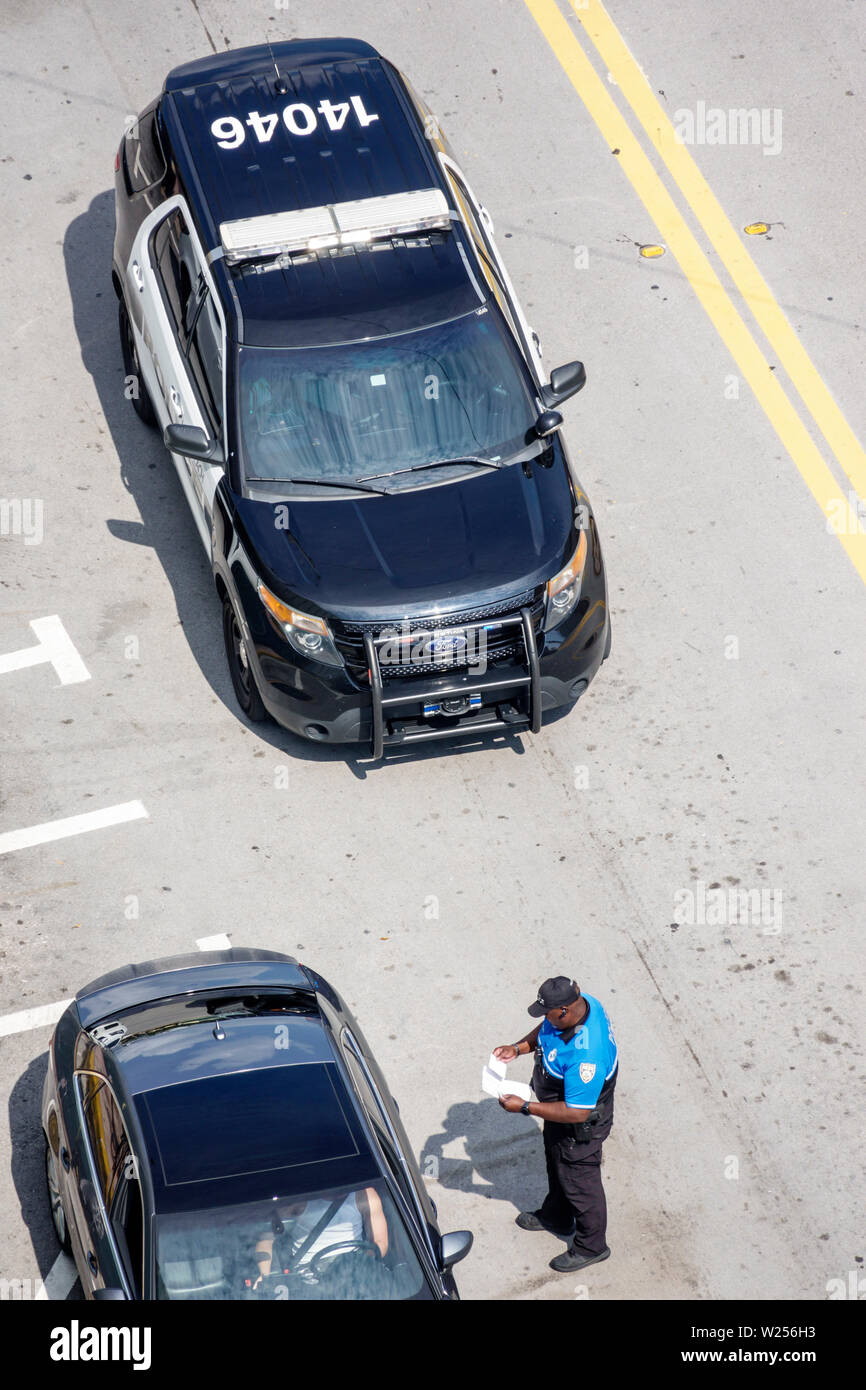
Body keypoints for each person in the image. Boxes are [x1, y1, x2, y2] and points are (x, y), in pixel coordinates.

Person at [493, 975, 618, 1273]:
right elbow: (547, 1029)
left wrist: (524, 1106)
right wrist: (519, 1047)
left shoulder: (587, 1056)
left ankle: (592, 1247)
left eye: (548, 1012)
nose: (546, 1019)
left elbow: (576, 1112)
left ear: (563, 1010)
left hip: (578, 1127)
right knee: (557, 1164)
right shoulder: (580, 1005)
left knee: (580, 1184)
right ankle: (557, 1217)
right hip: (557, 1112)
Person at [252, 1185, 388, 1286]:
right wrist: (265, 1275)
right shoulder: (298, 1201)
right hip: (308, 1284)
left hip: (352, 1278)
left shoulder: (363, 1194)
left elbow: (380, 1243)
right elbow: (266, 1239)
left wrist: (360, 1266)